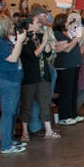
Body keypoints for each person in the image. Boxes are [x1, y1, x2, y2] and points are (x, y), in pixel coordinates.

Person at [0, 14, 28, 154]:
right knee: (8, 112)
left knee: (13, 112)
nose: (12, 27)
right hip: (5, 80)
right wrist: (19, 42)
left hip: (12, 79)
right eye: (9, 25)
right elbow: (13, 58)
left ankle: (9, 140)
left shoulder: (3, 41)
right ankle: (6, 145)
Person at [19, 10, 58, 142]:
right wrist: (42, 44)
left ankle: (48, 130)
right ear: (29, 24)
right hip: (29, 76)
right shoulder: (23, 39)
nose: (40, 24)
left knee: (45, 103)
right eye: (37, 22)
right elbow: (32, 55)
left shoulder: (40, 36)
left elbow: (46, 54)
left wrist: (46, 43)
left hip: (43, 75)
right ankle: (25, 133)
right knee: (27, 105)